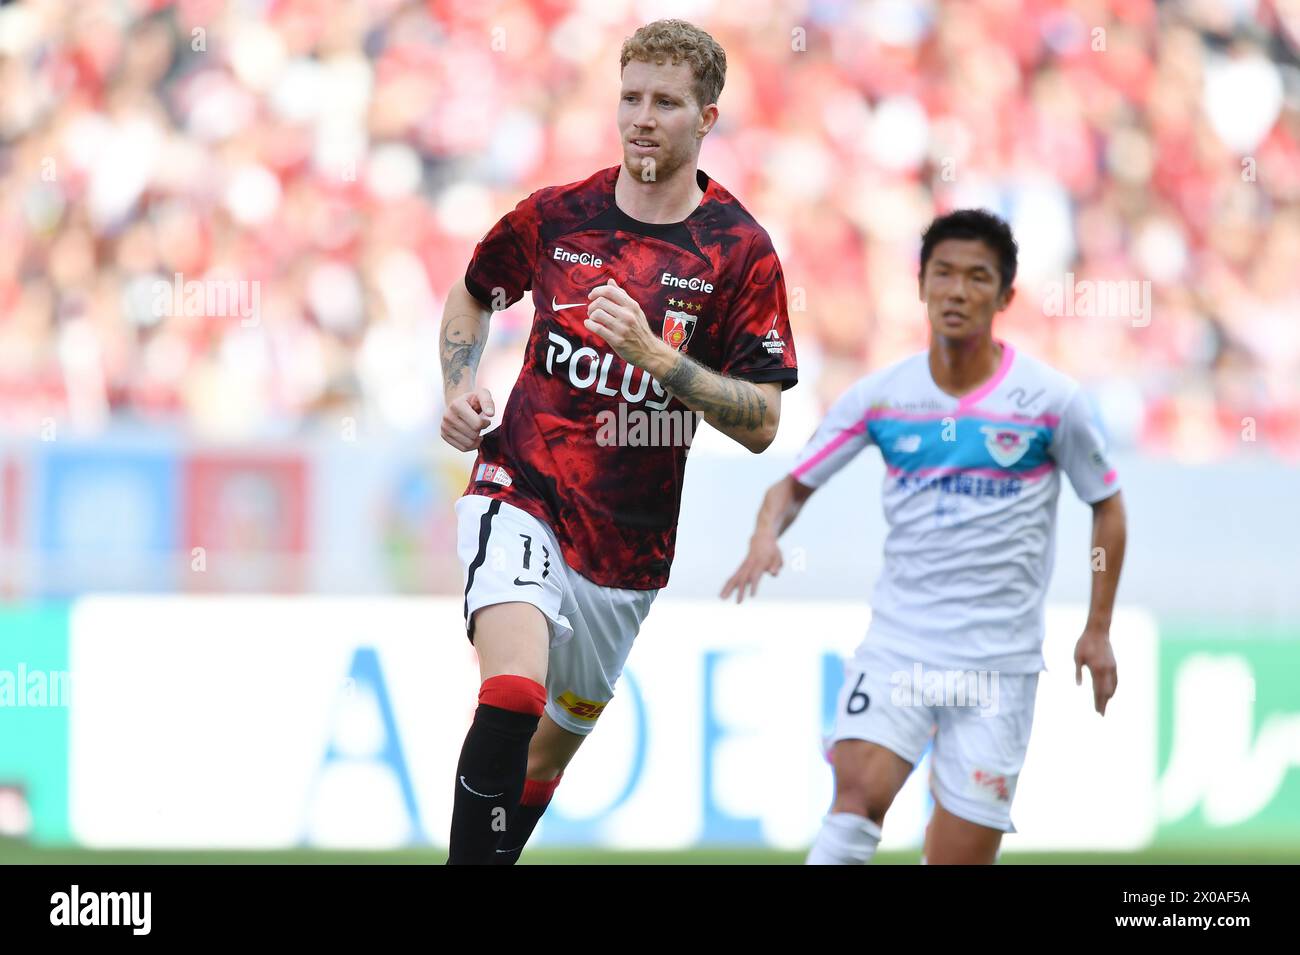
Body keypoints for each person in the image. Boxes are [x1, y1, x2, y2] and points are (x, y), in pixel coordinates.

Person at [439, 19, 798, 864]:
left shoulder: (739, 253)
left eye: (665, 102)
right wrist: (458, 391)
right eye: (630, 97)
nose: (642, 116)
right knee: (514, 687)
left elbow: (762, 423)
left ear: (706, 118)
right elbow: (471, 297)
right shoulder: (558, 216)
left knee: (544, 755)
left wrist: (659, 358)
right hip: (520, 488)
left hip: (628, 551)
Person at [723, 209, 1126, 864]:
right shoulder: (883, 396)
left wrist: (1098, 627)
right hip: (900, 645)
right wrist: (766, 535)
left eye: (977, 277)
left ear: (1005, 296)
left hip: (999, 665)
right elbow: (791, 485)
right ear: (920, 285)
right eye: (943, 273)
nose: (957, 291)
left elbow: (1107, 504)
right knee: (855, 799)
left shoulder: (1052, 401)